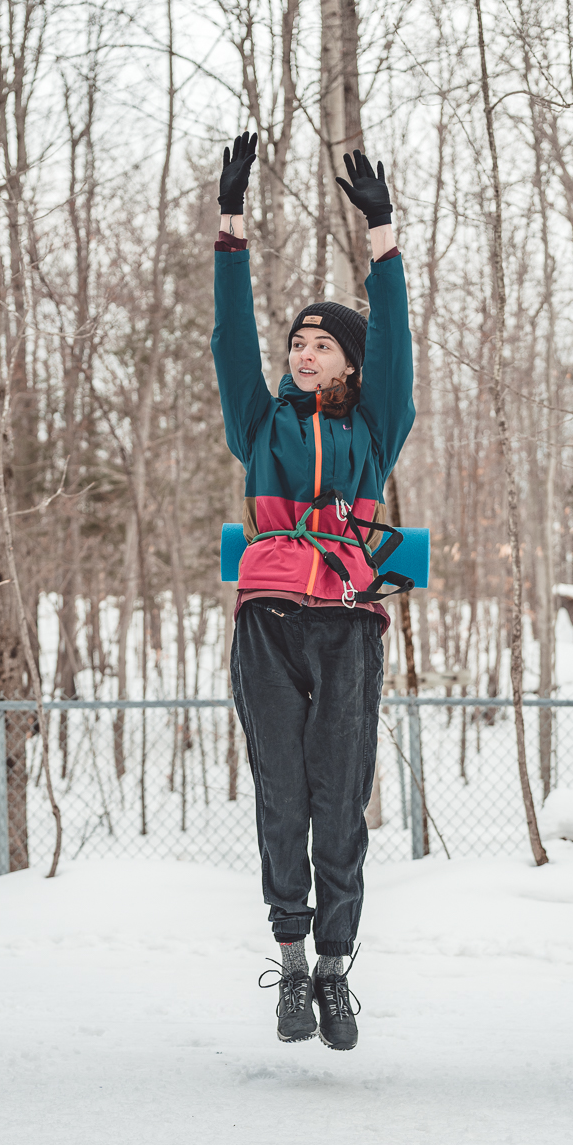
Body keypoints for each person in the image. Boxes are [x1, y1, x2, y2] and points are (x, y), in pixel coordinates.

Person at [211, 133, 414, 1049]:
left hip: (349, 624)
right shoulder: (260, 424)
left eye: (322, 343)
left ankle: (336, 970)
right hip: (268, 622)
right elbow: (227, 333)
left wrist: (381, 231)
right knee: (281, 796)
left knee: (339, 799)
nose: (303, 351)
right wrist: (232, 225)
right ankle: (290, 966)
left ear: (350, 363)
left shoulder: (379, 423)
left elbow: (399, 335)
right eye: (297, 341)